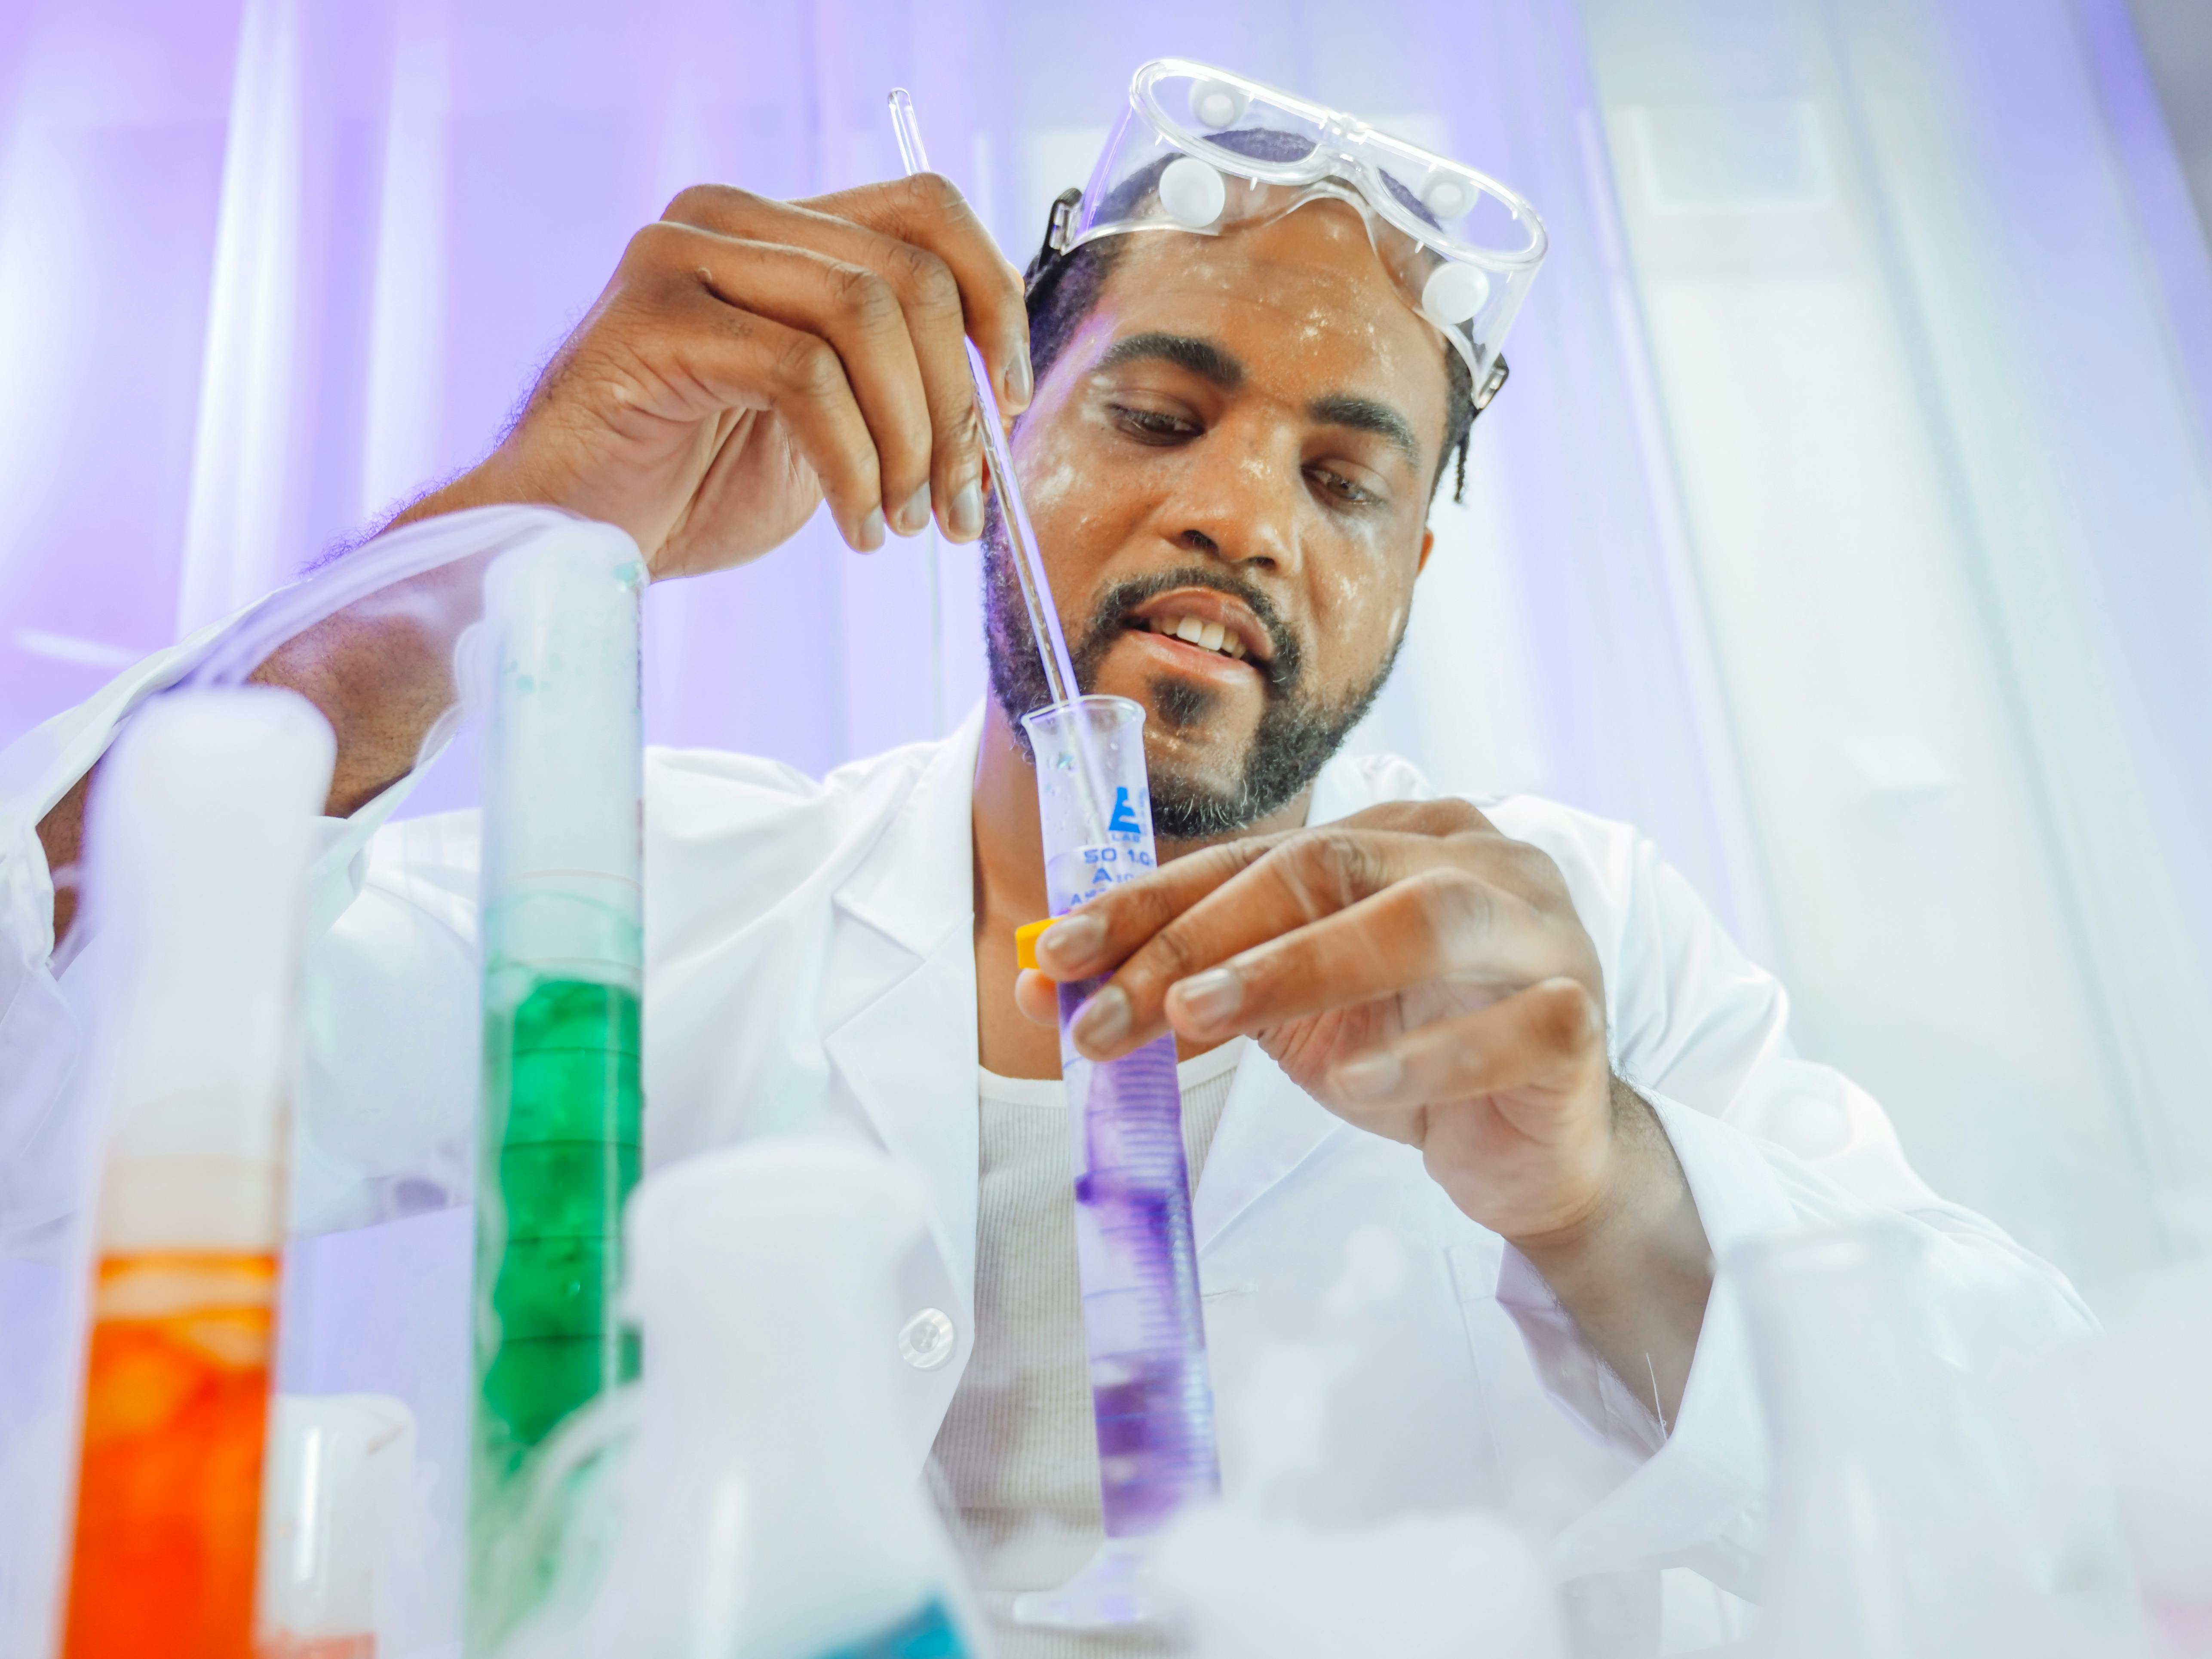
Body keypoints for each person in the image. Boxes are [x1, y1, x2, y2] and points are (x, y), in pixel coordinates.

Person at [2, 62, 2087, 1654]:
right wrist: (479, 553)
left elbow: (2046, 1501)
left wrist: (1607, 1178)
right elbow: (40, 1080)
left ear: (1416, 566)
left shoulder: (1577, 949)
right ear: (988, 422)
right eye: (1163, 415)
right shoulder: (650, 900)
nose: (1246, 519)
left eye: (1347, 476)